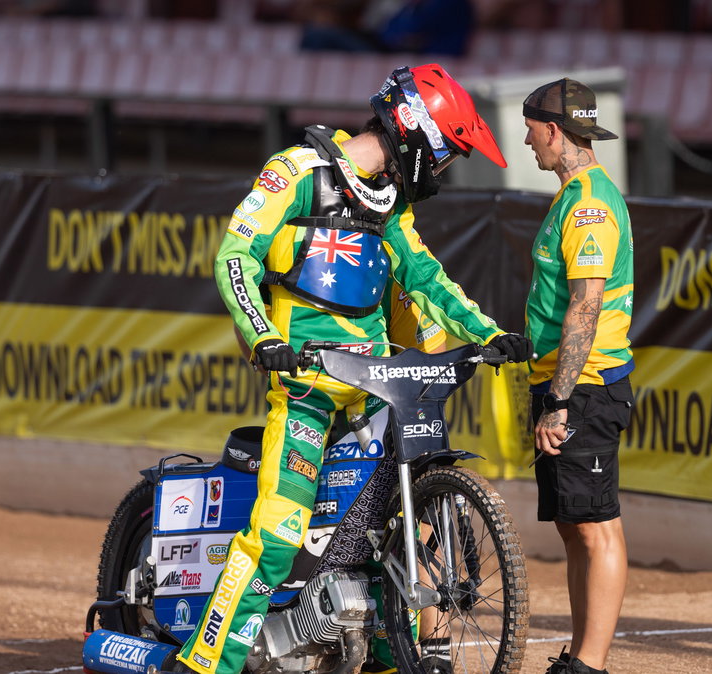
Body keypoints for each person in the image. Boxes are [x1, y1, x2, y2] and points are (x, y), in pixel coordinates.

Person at [176, 63, 532, 674]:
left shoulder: (390, 203)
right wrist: (262, 335)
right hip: (308, 388)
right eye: (446, 159)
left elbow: (424, 277)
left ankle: (385, 652)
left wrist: (489, 333)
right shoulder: (296, 171)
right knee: (278, 535)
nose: (442, 174)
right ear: (421, 137)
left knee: (386, 528)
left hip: (374, 387)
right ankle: (207, 661)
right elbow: (236, 253)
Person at [521, 78, 635, 674]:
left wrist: (559, 400)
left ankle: (589, 665)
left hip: (585, 386)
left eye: (532, 127)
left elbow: (585, 307)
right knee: (574, 524)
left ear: (555, 130)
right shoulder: (574, 195)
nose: (526, 139)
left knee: (595, 527)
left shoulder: (588, 203)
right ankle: (581, 655)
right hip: (568, 383)